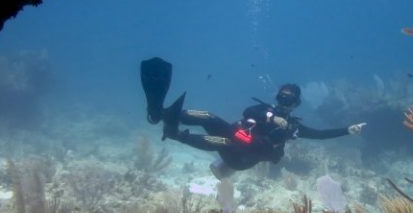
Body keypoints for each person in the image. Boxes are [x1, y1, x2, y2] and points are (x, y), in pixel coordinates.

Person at [140, 57, 366, 179]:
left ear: (295, 104)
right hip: (233, 133)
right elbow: (249, 112)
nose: (282, 103)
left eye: (288, 101)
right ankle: (164, 114)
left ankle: (176, 134)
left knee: (224, 141)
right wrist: (270, 116)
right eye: (281, 98)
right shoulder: (265, 109)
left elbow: (320, 135)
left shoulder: (292, 127)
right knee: (208, 117)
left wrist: (348, 130)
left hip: (241, 158)